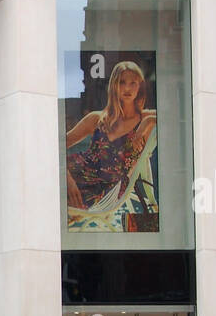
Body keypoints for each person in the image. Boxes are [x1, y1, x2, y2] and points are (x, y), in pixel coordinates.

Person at [65, 60, 157, 217]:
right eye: (122, 82)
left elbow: (175, 116)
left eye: (133, 83)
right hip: (73, 175)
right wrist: (68, 180)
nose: (127, 88)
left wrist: (145, 124)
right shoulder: (96, 118)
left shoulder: (147, 119)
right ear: (114, 85)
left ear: (140, 86)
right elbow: (57, 145)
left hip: (106, 191)